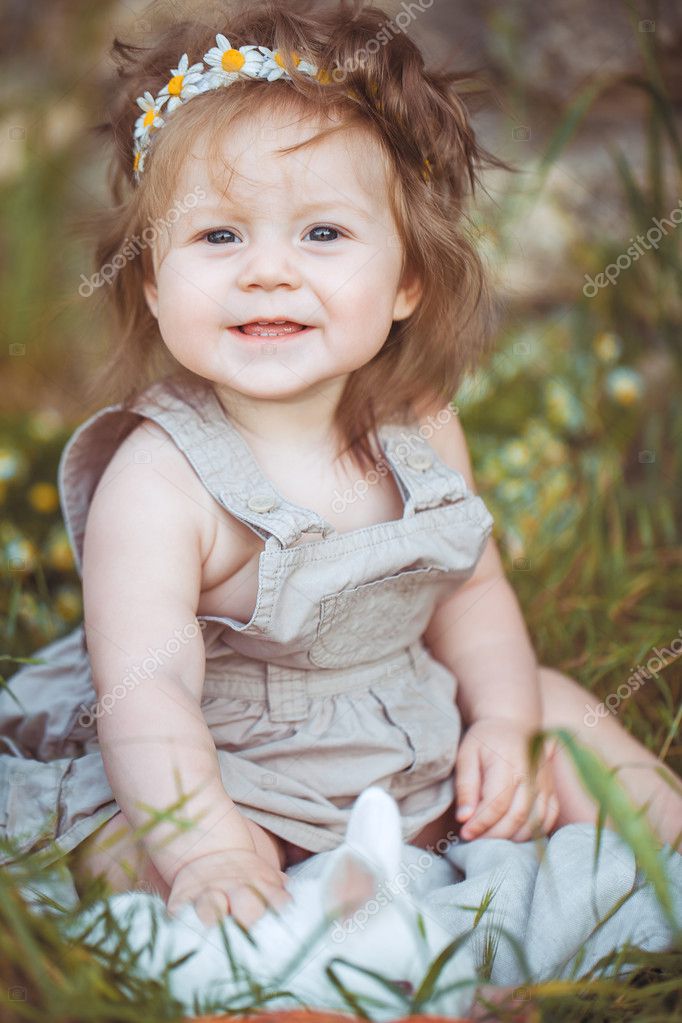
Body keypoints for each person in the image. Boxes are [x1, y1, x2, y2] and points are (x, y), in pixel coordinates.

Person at [1, 0, 680, 932]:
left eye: (322, 234)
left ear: (406, 280)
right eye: (219, 236)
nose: (267, 271)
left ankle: (668, 863)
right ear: (154, 280)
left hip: (404, 724)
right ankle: (266, 955)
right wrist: (207, 847)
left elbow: (472, 592)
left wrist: (504, 723)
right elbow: (146, 690)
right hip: (228, 763)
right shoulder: (160, 481)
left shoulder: (423, 427)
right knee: (130, 851)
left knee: (561, 711)